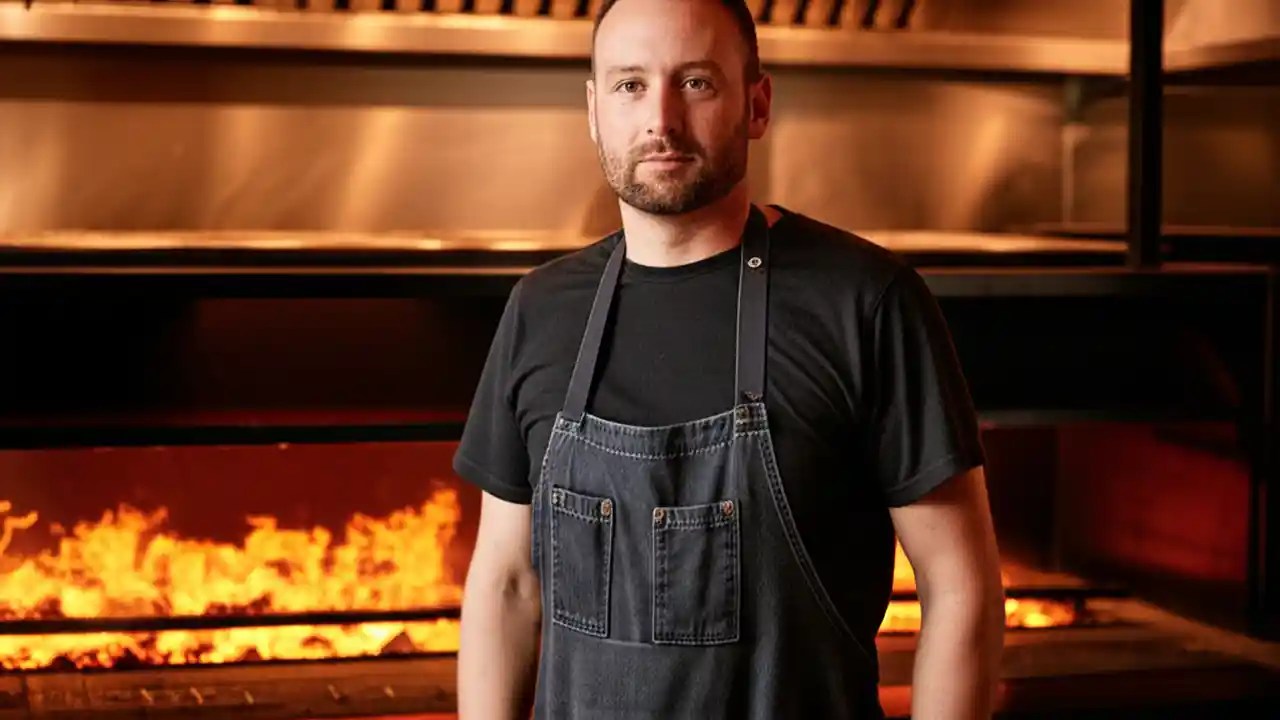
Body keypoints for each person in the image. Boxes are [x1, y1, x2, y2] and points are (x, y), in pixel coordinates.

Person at [452, 0, 1005, 717]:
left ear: (757, 102)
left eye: (697, 83)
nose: (662, 120)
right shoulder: (540, 309)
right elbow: (507, 585)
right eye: (630, 85)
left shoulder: (866, 301)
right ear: (594, 111)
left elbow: (960, 586)